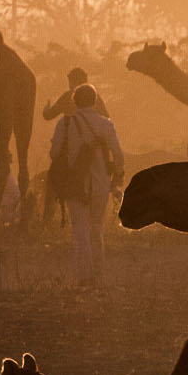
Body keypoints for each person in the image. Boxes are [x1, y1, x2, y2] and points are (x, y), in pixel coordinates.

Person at [47, 83, 125, 286]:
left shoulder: (64, 124)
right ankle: (99, 276)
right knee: (96, 228)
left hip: (75, 185)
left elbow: (54, 154)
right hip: (101, 185)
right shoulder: (106, 124)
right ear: (95, 101)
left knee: (79, 229)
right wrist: (117, 177)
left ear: (74, 102)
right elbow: (118, 156)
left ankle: (84, 278)